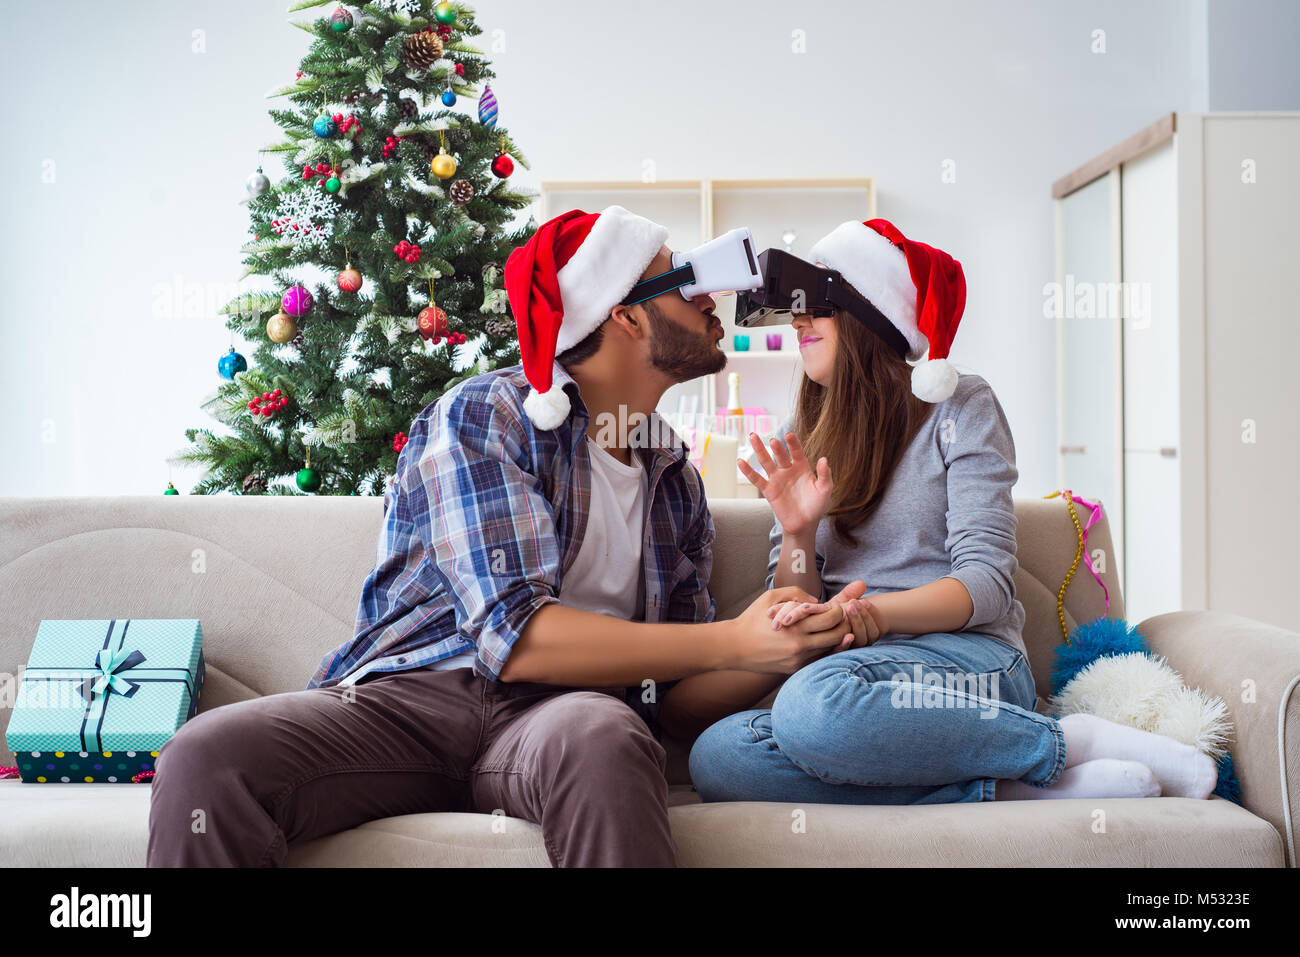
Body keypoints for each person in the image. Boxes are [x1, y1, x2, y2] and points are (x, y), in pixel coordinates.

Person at [146, 205, 863, 868]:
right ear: (626, 317)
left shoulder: (673, 474)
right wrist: (732, 640)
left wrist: (787, 619)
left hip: (562, 720)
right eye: (683, 280)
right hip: (411, 701)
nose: (712, 297)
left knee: (607, 735)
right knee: (203, 758)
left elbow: (674, 699)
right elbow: (516, 637)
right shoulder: (488, 415)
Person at [688, 218, 1218, 806]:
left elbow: (985, 584)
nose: (801, 321)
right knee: (719, 756)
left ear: (870, 312)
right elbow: (789, 604)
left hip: (970, 667)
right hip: (854, 678)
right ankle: (1011, 784)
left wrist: (872, 617)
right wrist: (797, 530)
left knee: (813, 708)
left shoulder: (960, 406)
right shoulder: (803, 433)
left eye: (819, 306)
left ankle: (1068, 742)